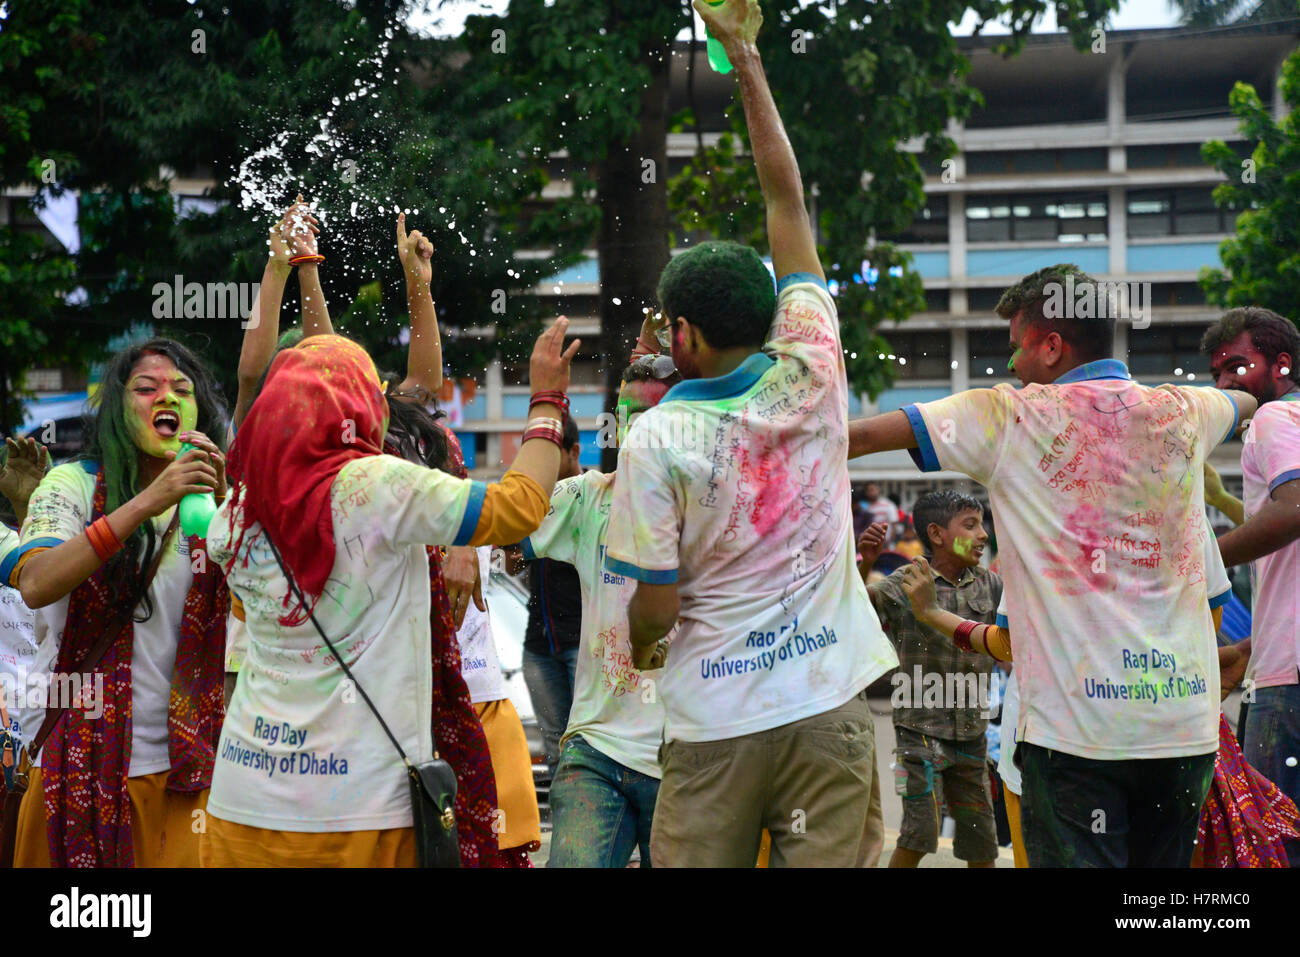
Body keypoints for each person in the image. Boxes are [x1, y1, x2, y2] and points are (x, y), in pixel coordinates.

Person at [603, 0, 898, 868]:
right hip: (829, 712)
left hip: (715, 726)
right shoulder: (812, 363)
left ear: (684, 334)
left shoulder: (658, 437)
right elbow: (786, 199)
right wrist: (745, 59)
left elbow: (654, 607)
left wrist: (649, 645)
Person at [848, 263, 1258, 867]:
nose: (1010, 365)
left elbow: (856, 437)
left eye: (1015, 348)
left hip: (1076, 738)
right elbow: (1244, 399)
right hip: (1182, 734)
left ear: (1052, 346)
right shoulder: (1184, 412)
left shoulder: (1012, 416)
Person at [12, 339, 230, 867]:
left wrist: (231, 518)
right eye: (146, 388)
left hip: (187, 771)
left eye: (182, 389)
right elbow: (38, 583)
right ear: (115, 407)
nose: (168, 398)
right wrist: (149, 501)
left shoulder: (212, 500)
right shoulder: (71, 485)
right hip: (73, 766)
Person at [523, 338, 679, 868]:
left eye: (656, 416)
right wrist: (458, 544)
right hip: (596, 751)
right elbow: (501, 519)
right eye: (628, 415)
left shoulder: (719, 505)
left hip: (689, 758)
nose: (638, 431)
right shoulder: (589, 497)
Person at [1202, 307, 1300, 864]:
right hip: (1276, 660)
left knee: (1271, 847)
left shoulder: (1271, 421)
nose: (1224, 386)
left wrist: (1196, 558)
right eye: (1216, 375)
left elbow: (1293, 512)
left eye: (1237, 369)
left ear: (1280, 364)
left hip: (1287, 682)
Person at [857, 490, 1001, 869]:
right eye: (970, 525)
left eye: (982, 523)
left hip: (972, 733)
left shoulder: (991, 585)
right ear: (937, 534)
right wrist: (864, 563)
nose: (983, 534)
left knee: (981, 841)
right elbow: (852, 610)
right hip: (919, 734)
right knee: (919, 834)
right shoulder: (906, 583)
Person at [516, 418, 584, 778]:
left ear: (574, 451)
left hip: (583, 644)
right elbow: (510, 562)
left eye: (548, 452)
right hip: (538, 646)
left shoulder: (592, 494)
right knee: (557, 753)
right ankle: (563, 834)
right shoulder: (535, 501)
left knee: (588, 749)